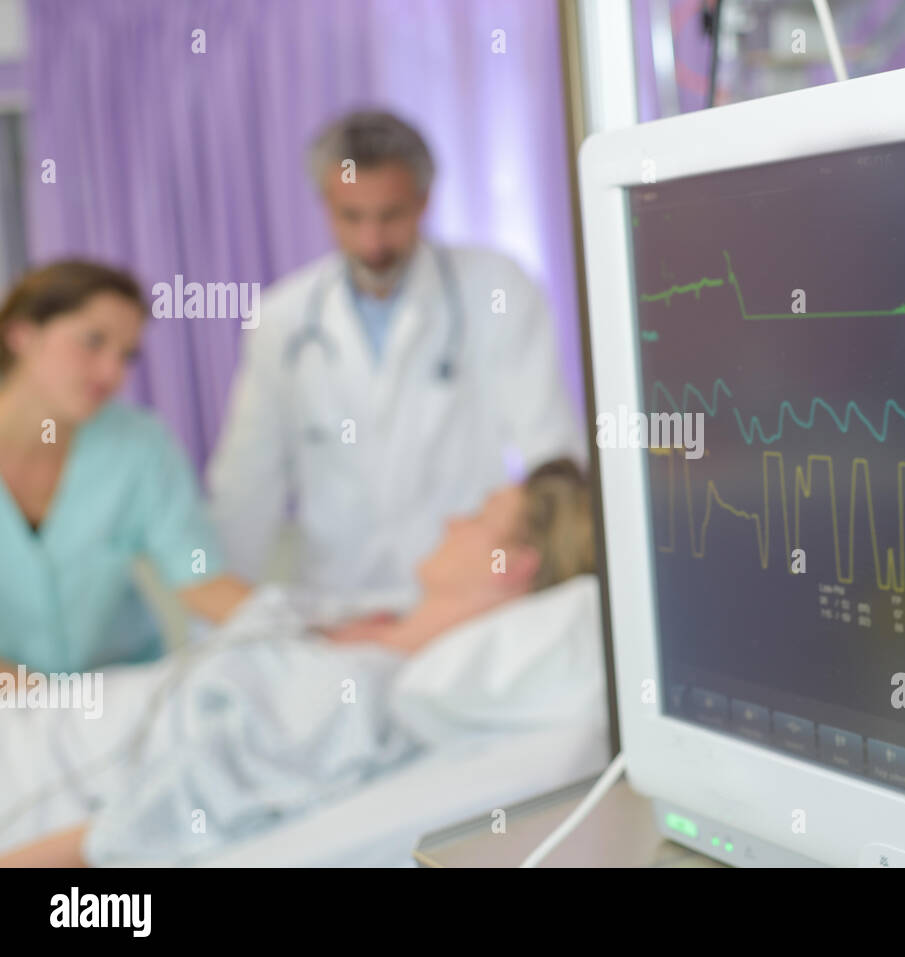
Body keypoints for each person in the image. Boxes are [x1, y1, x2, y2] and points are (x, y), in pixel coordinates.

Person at [0, 458, 596, 867]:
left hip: (33, 780)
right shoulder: (373, 614)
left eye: (479, 516)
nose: (452, 521)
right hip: (42, 715)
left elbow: (150, 821)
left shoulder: (360, 689)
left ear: (513, 563)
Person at [207, 109, 585, 596]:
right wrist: (218, 626)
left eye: (390, 216)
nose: (373, 241)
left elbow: (550, 453)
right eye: (352, 217)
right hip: (338, 599)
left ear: (424, 201)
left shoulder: (496, 288)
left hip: (464, 598)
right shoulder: (282, 319)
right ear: (325, 204)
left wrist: (563, 591)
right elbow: (246, 488)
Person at [0, 261, 251, 675]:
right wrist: (36, 700)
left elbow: (203, 580)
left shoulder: (139, 445)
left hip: (119, 694)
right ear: (23, 334)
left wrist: (312, 627)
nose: (111, 372)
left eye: (126, 355)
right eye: (93, 341)